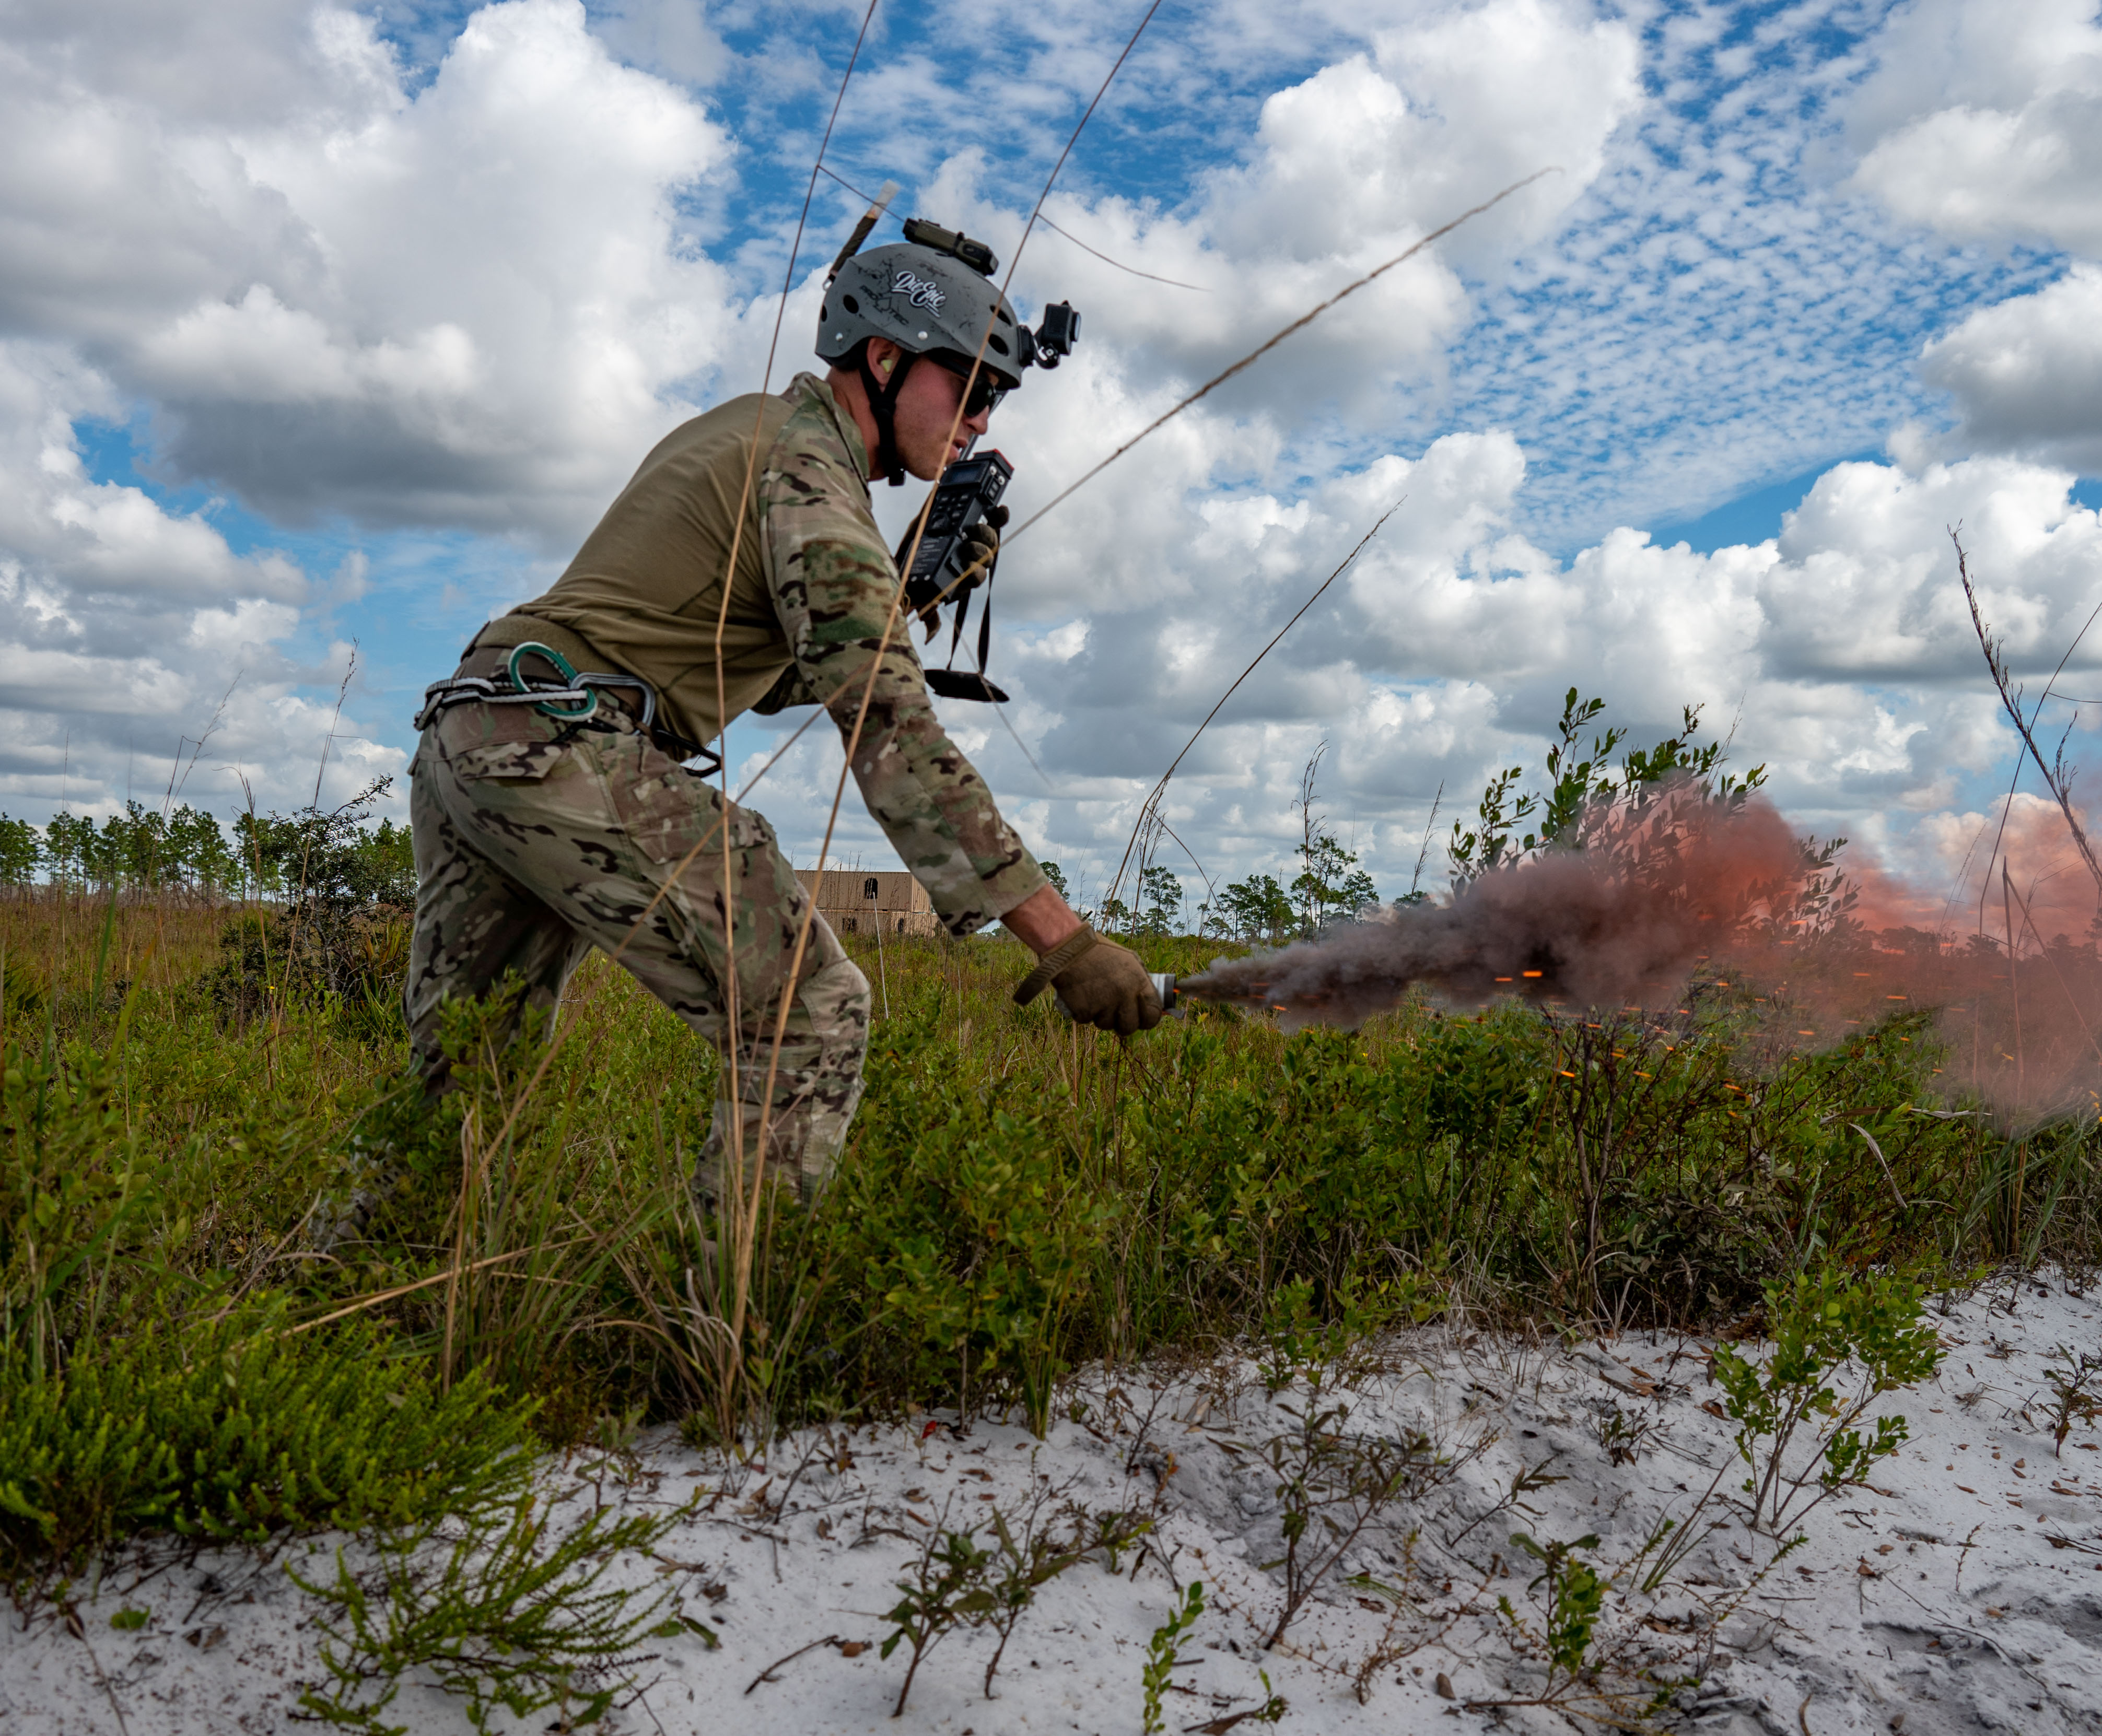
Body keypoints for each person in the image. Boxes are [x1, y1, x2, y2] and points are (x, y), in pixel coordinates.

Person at [402, 218, 1162, 1217]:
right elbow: (890, 729)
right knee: (811, 1007)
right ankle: (725, 1305)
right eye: (972, 388)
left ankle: (351, 1282)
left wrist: (900, 598)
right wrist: (1062, 941)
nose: (980, 422)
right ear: (884, 359)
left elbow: (757, 675)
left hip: (482, 733)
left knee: (463, 1083)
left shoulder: (756, 430)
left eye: (996, 401)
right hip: (559, 747)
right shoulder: (810, 472)